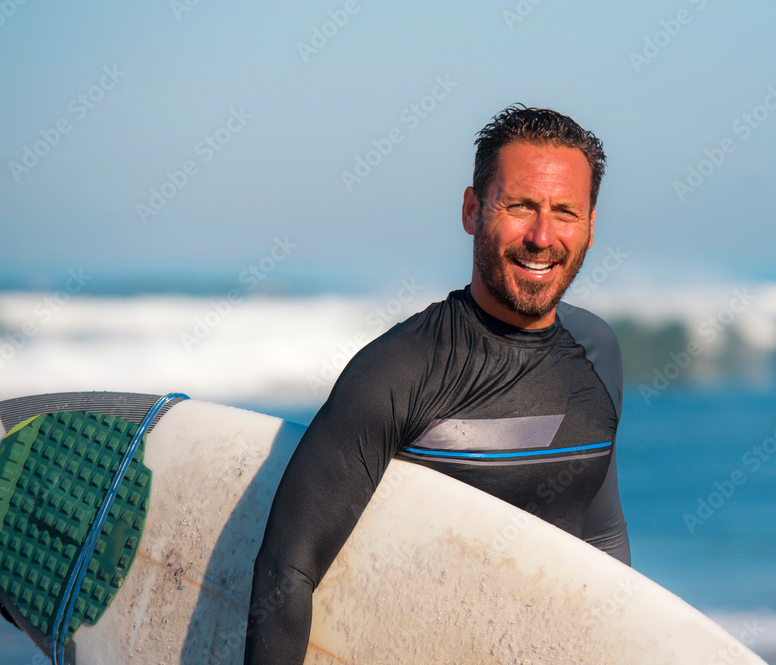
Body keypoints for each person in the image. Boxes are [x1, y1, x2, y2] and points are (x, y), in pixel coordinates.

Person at [243, 103, 629, 664]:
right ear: (473, 210)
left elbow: (602, 538)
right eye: (520, 206)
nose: (543, 236)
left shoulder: (597, 352)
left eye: (565, 212)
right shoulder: (400, 369)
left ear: (591, 226)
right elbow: (288, 571)